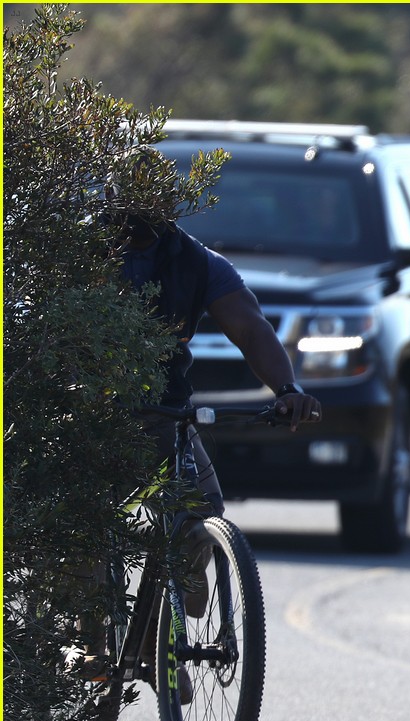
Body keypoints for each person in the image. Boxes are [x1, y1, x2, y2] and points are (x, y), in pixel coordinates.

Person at [77, 147, 322, 692]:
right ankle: (90, 643)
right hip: (86, 413)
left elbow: (252, 329)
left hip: (162, 412)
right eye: (135, 194)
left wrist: (287, 389)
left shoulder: (198, 262)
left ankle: (156, 645)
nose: (147, 207)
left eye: (158, 196)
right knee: (80, 525)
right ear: (113, 196)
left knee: (200, 519)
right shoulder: (78, 250)